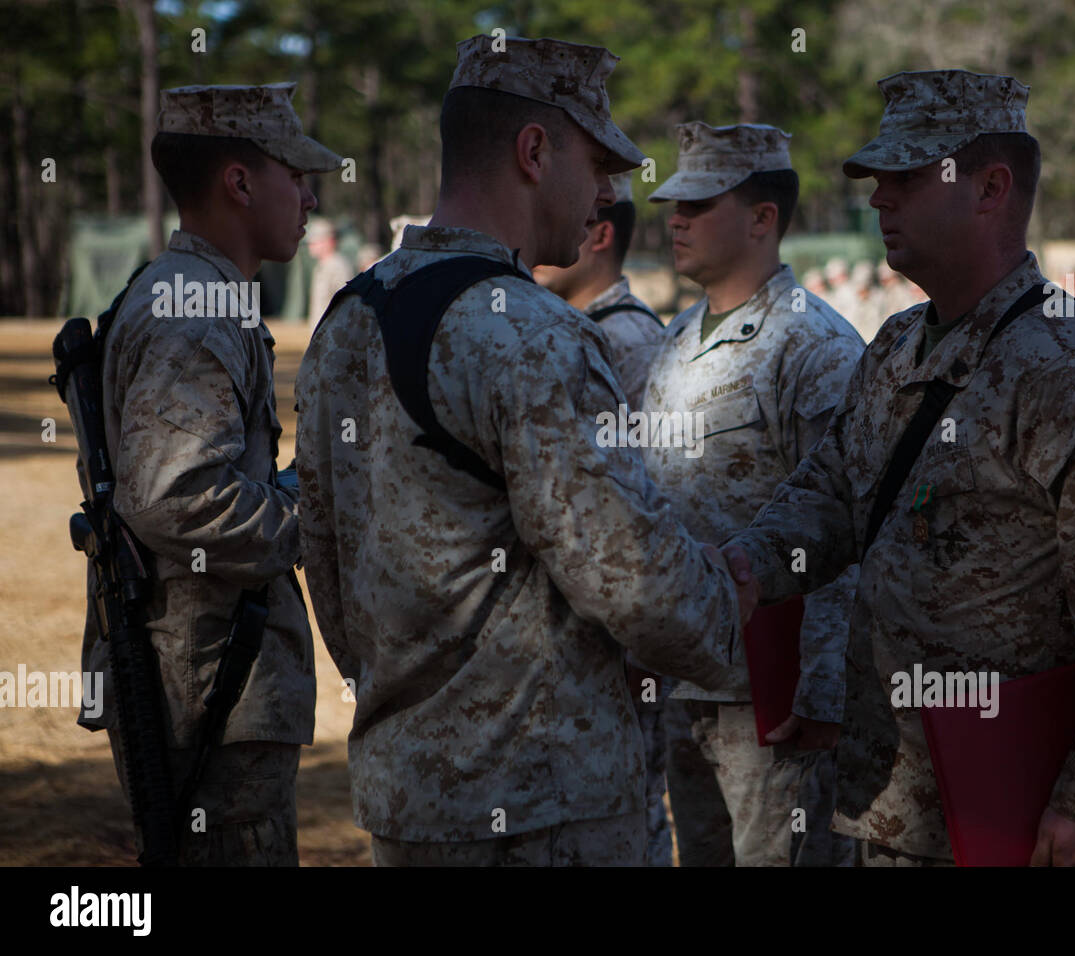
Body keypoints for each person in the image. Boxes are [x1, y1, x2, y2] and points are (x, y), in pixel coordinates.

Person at [719, 69, 1075, 867]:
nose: (878, 199)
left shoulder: (1067, 372)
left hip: (1010, 816)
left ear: (991, 188)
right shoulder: (898, 344)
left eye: (904, 178)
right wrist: (750, 564)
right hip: (894, 801)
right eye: (878, 179)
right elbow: (833, 490)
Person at [294, 35, 753, 867]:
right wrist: (736, 603)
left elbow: (324, 559)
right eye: (598, 161)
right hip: (546, 807)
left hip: (408, 805)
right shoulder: (535, 336)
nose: (609, 193)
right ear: (534, 151)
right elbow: (635, 581)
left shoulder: (345, 321)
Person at [77, 82, 341, 865]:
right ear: (239, 181)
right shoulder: (194, 309)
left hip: (201, 673)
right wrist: (315, 509)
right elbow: (178, 497)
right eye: (296, 172)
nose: (311, 193)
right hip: (206, 685)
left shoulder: (196, 292)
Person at [643, 121, 864, 866]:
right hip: (686, 677)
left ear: (763, 218)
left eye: (700, 204)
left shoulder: (816, 346)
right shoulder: (675, 339)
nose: (676, 218)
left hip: (775, 693)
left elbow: (852, 525)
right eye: (674, 202)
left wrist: (825, 684)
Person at [530, 169, 672, 867]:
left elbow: (642, 502)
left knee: (633, 812)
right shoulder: (580, 333)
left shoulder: (625, 342)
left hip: (624, 645)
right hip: (589, 642)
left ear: (599, 234)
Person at [533, 170, 663, 407]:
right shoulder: (560, 322)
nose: (539, 239)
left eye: (555, 224)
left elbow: (645, 442)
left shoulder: (633, 343)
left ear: (602, 236)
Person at [306, 218, 355, 328]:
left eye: (314, 242)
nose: (310, 246)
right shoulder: (320, 267)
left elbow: (346, 305)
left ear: (329, 241)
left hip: (334, 334)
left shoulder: (337, 266)